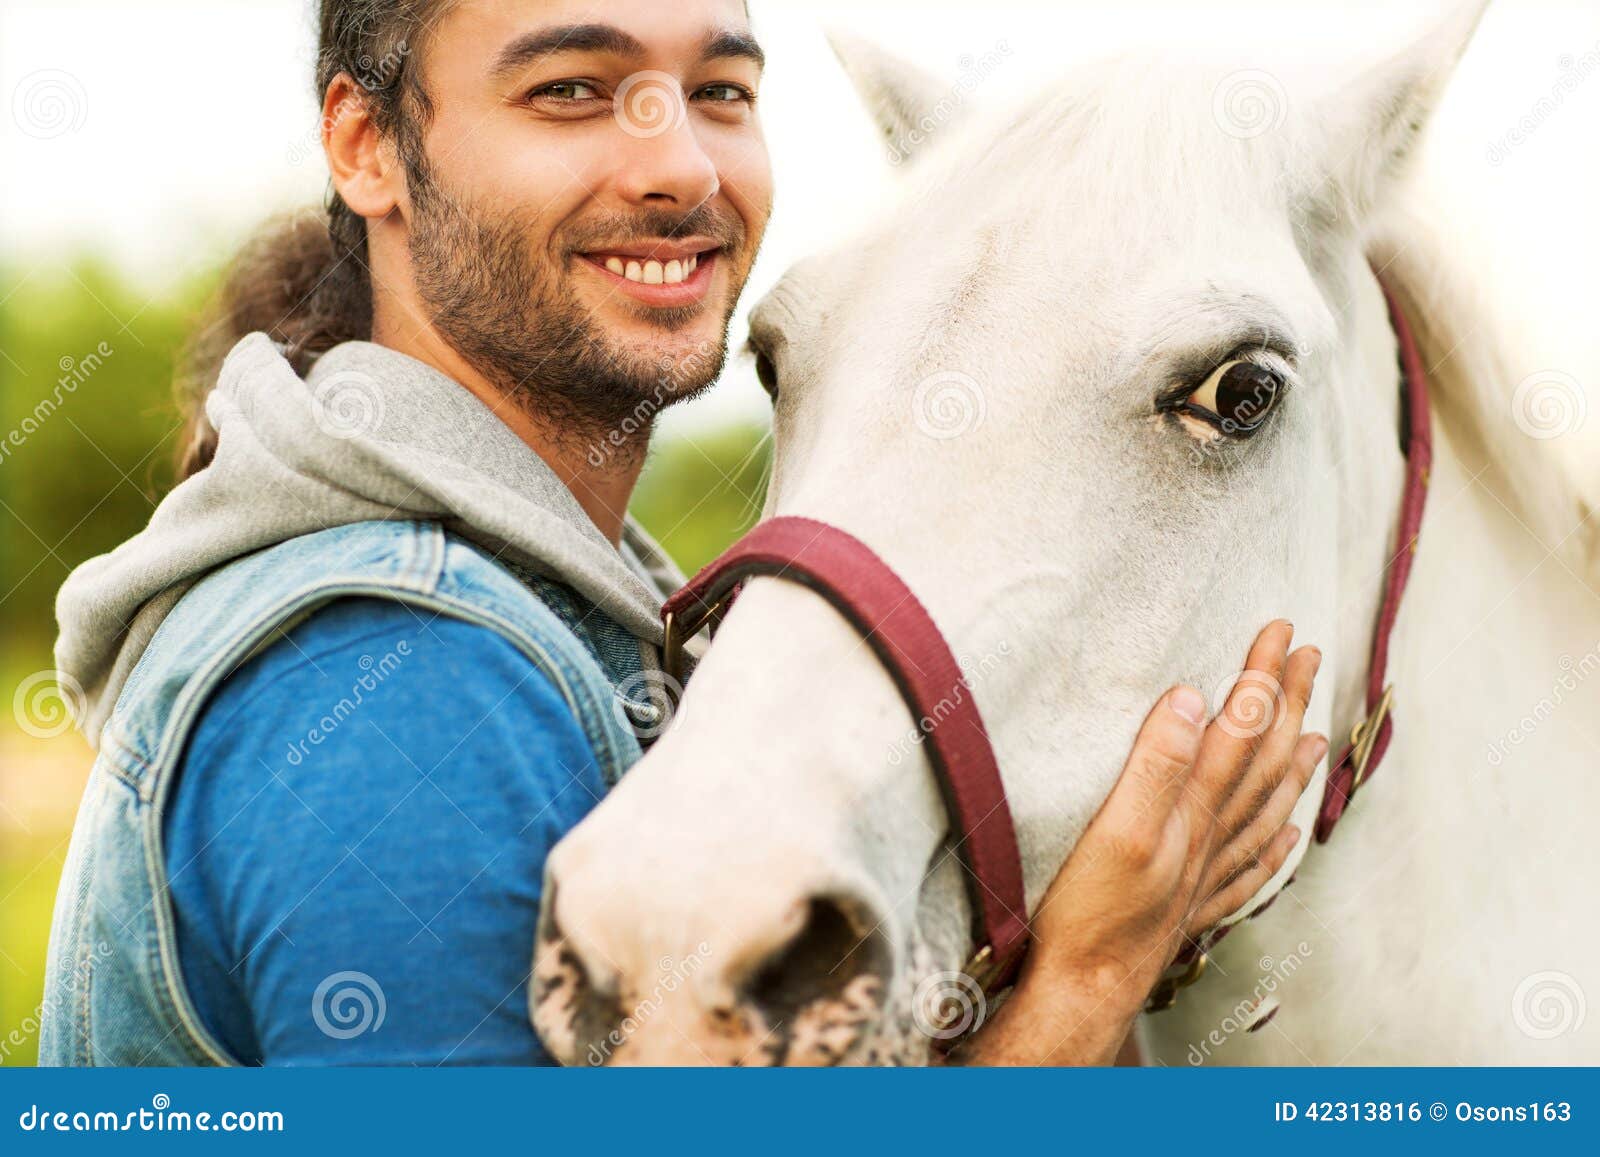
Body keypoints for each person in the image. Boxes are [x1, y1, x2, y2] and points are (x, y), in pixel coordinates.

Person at [41, 0, 1321, 1067]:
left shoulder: (542, 606)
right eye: (570, 90)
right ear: (367, 145)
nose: (680, 167)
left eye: (720, 91)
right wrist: (1088, 982)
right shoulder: (404, 676)